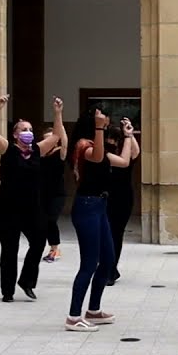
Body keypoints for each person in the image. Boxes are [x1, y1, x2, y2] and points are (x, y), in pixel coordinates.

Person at [0, 95, 66, 302]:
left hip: (31, 207)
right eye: (23, 130)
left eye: (30, 130)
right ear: (15, 135)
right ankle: (7, 291)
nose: (28, 133)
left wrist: (57, 113)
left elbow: (57, 136)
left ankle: (27, 281)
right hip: (6, 208)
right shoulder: (8, 150)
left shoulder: (38, 151)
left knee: (39, 241)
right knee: (10, 248)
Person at [65, 107, 135, 331]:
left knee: (107, 260)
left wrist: (128, 136)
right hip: (86, 206)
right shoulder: (83, 146)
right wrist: (98, 127)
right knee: (89, 263)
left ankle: (93, 310)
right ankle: (74, 317)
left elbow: (124, 161)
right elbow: (96, 157)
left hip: (100, 206)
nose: (105, 123)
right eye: (101, 122)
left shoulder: (98, 146)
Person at [105, 118, 140, 285]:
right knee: (108, 235)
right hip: (106, 197)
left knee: (115, 234)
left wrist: (129, 134)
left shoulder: (123, 154)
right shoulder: (105, 154)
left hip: (122, 198)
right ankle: (111, 268)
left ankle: (111, 270)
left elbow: (135, 152)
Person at [40, 123, 68, 263]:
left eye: (51, 139)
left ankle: (54, 249)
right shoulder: (39, 154)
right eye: (46, 139)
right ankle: (41, 247)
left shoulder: (59, 153)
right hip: (41, 193)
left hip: (57, 193)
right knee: (41, 221)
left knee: (51, 220)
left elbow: (65, 143)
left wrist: (59, 119)